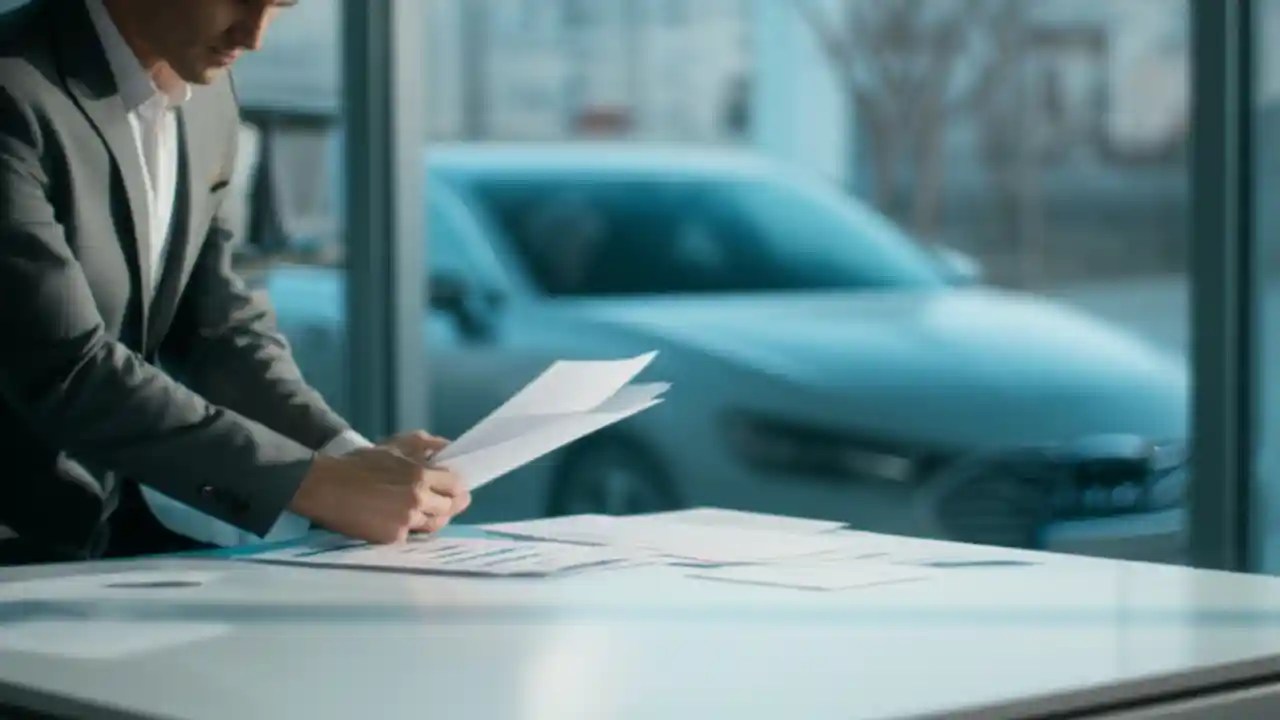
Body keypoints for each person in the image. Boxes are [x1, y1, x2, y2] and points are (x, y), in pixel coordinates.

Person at [0, 0, 470, 565]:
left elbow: (219, 330)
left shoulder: (207, 100)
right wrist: (312, 482)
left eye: (280, 6)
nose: (255, 36)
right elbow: (63, 367)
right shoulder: (14, 88)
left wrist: (350, 458)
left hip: (98, 542)